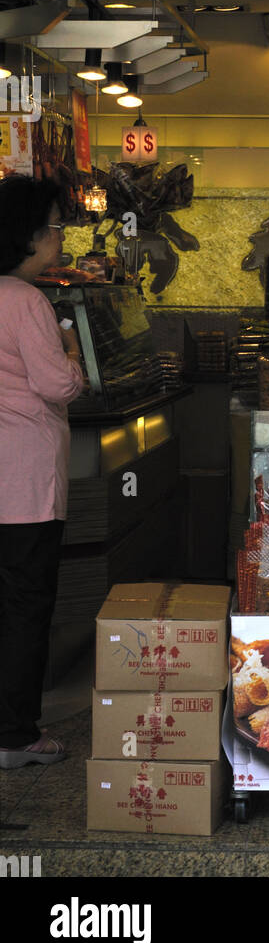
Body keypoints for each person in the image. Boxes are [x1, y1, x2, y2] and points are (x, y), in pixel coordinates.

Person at [0, 176, 84, 767]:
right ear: (27, 236)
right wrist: (74, 358)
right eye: (54, 226)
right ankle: (15, 734)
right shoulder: (26, 301)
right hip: (23, 481)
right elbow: (57, 386)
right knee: (25, 604)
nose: (59, 237)